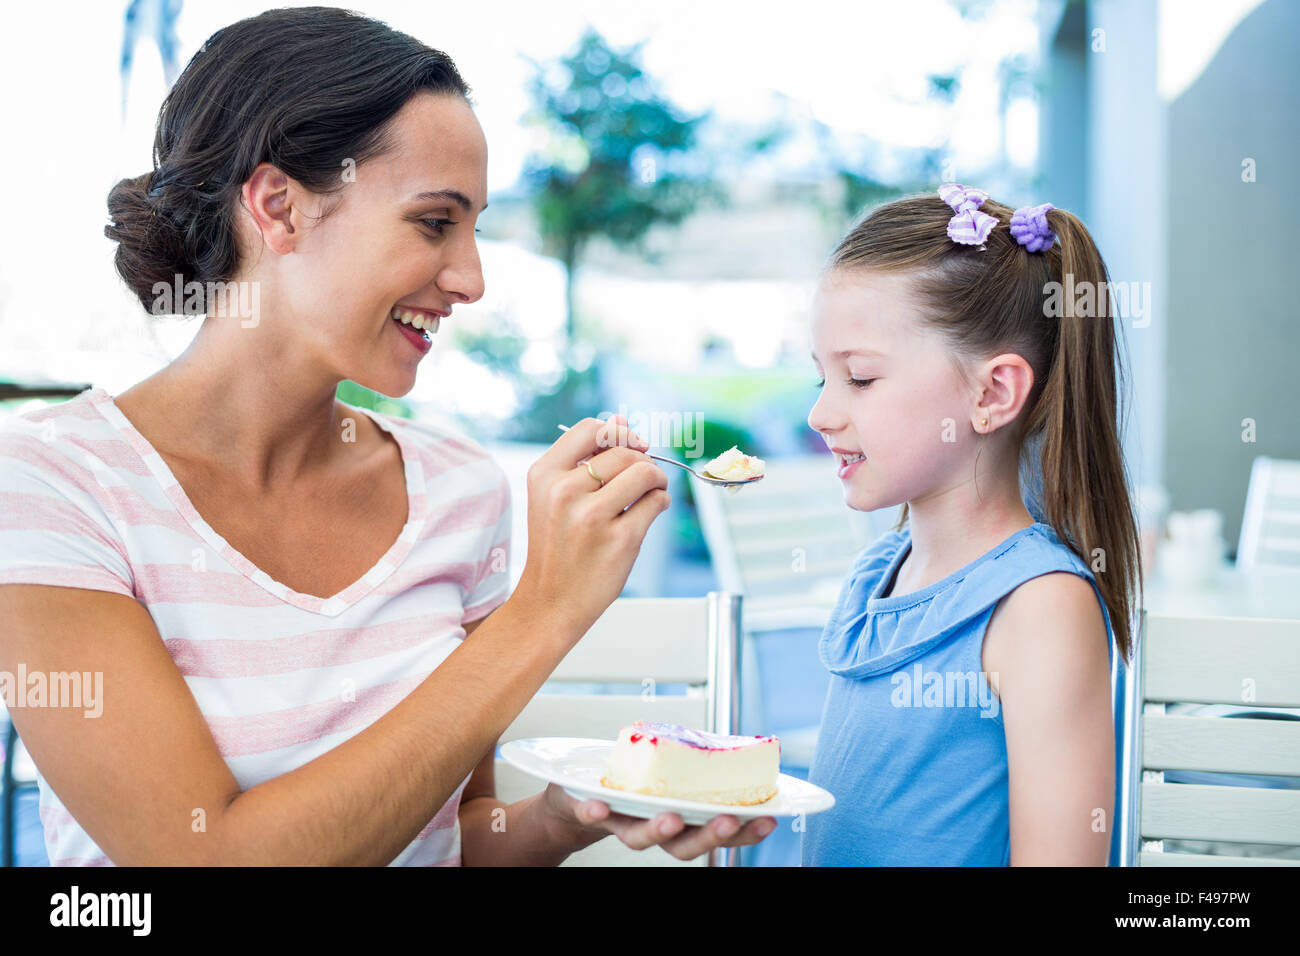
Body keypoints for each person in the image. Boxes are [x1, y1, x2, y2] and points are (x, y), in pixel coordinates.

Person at [0, 6, 775, 866]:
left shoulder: (457, 485)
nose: (472, 279)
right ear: (280, 207)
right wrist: (546, 612)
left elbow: (453, 837)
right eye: (435, 222)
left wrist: (566, 817)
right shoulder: (52, 484)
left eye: (475, 227)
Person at [802, 185, 1142, 865]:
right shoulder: (881, 573)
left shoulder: (1040, 606)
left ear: (991, 395)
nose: (821, 416)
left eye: (860, 380)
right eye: (821, 380)